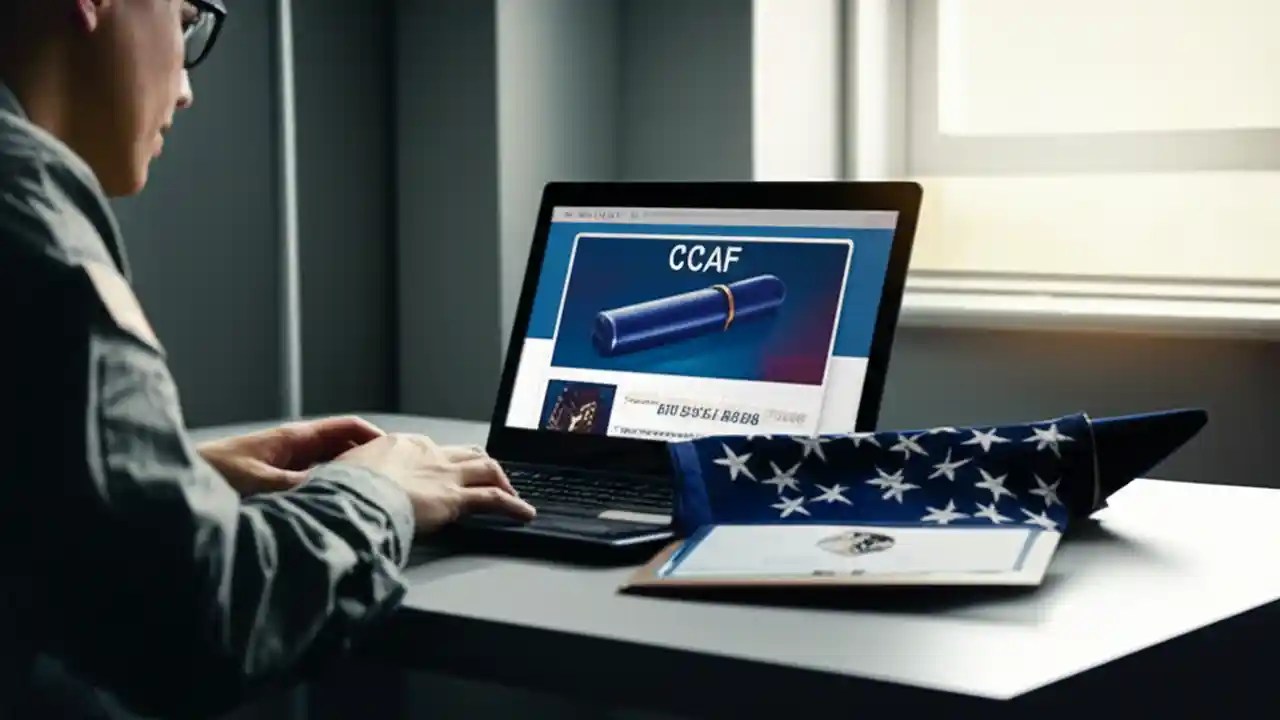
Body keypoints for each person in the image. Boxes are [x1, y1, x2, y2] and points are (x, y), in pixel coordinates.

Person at [0, 1, 536, 717]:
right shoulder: (33, 225)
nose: (186, 88)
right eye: (186, 16)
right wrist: (378, 492)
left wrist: (178, 478)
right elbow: (204, 621)